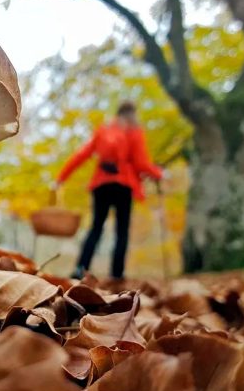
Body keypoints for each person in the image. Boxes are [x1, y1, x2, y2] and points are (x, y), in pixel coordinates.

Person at [55, 101, 163, 280]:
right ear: (132, 113)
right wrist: (159, 174)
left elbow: (82, 154)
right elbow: (141, 163)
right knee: (122, 231)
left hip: (101, 185)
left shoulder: (103, 130)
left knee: (96, 227)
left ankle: (81, 269)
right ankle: (117, 274)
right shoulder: (134, 132)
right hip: (123, 185)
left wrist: (61, 177)